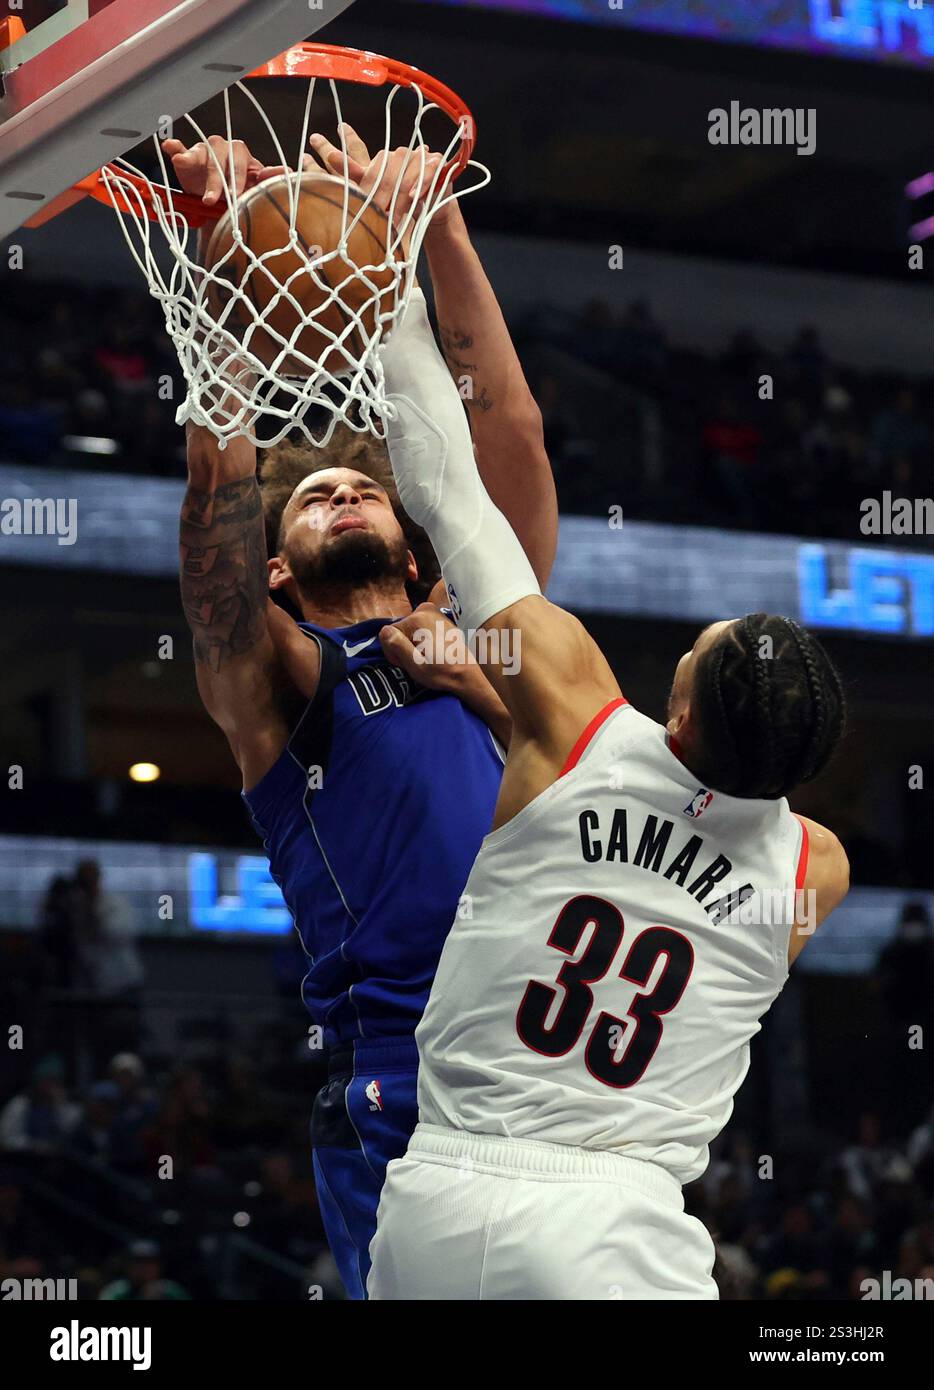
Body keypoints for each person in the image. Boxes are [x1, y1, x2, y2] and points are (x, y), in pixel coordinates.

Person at [365, 289, 850, 1299]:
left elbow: (451, 492)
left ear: (676, 720)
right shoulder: (818, 867)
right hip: (606, 1230)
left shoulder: (574, 718)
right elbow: (681, 849)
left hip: (432, 1201)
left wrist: (387, 300)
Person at [165, 129, 557, 1298]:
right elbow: (215, 515)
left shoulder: (490, 637)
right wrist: (217, 270)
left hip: (549, 1050)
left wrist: (440, 226)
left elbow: (509, 436)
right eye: (315, 497)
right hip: (401, 1073)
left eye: (360, 484)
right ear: (280, 574)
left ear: (413, 537)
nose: (338, 487)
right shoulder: (284, 686)